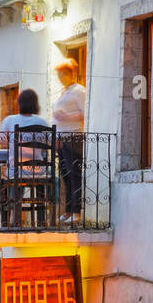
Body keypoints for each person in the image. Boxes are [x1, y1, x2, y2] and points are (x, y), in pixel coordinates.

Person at [52, 57, 87, 225]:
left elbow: (84, 113)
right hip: (61, 138)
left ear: (71, 73)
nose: (61, 78)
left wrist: (66, 116)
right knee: (65, 175)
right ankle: (67, 210)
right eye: (59, 75)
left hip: (73, 137)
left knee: (74, 174)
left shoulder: (78, 91)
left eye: (63, 74)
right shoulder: (63, 92)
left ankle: (76, 211)